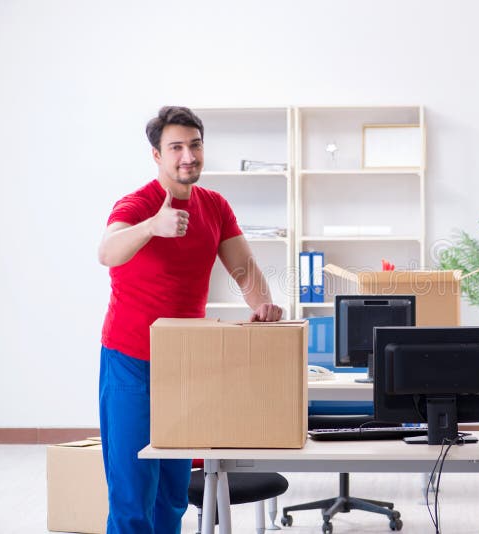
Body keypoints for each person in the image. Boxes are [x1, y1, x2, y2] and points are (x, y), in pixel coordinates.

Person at [97, 106, 283, 533]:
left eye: (195, 145)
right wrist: (152, 226)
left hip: (185, 363)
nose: (188, 156)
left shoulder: (214, 206)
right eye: (176, 147)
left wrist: (263, 306)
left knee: (173, 494)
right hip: (131, 360)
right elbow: (107, 252)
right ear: (156, 155)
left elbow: (245, 271)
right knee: (132, 492)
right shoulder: (137, 204)